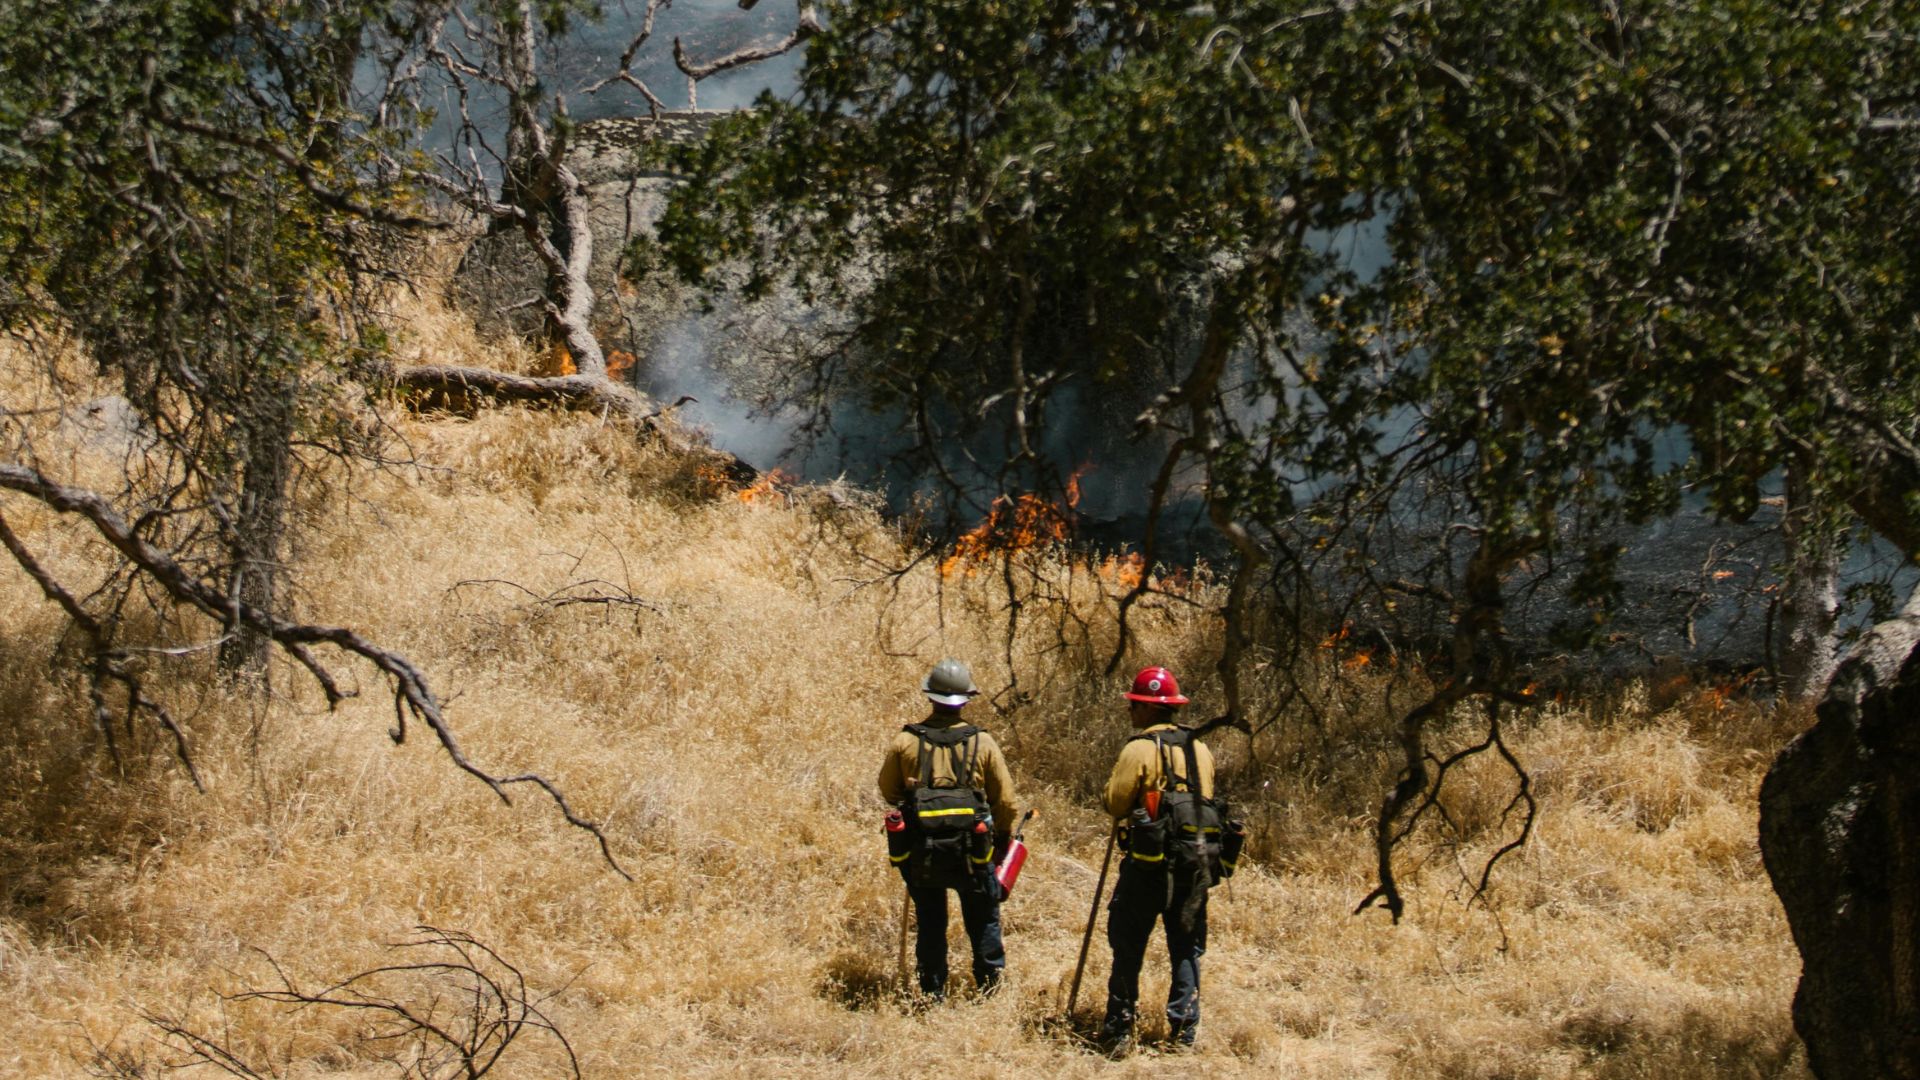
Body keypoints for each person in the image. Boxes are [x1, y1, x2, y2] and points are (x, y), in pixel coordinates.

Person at [878, 658, 1017, 1001]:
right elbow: (1007, 802)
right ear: (966, 700)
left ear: (930, 697)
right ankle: (990, 992)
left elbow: (888, 790)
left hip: (922, 853)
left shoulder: (906, 741)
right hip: (976, 851)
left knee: (930, 923)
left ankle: (931, 994)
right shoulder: (983, 743)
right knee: (983, 920)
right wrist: (1003, 838)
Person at [1100, 665, 1218, 1050]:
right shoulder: (1200, 749)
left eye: (1135, 705)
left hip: (1145, 868)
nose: (1131, 711)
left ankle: (1119, 1031)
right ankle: (1184, 1033)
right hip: (1192, 867)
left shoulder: (1138, 749)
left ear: (1149, 709)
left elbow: (1116, 803)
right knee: (1185, 948)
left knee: (1128, 945)